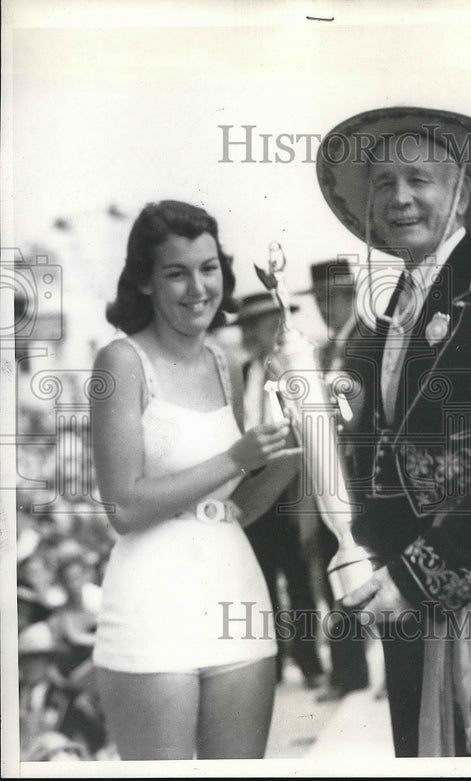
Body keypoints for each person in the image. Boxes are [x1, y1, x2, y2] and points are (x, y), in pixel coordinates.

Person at [315, 108, 471, 756]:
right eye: (384, 183)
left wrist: (413, 579)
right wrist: (370, 560)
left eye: (418, 179)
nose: (399, 198)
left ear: (461, 193)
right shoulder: (389, 313)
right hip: (408, 606)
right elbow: (377, 455)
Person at [91, 200, 300, 760]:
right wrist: (236, 457)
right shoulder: (120, 362)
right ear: (145, 281)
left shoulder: (223, 365)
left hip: (235, 593)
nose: (198, 288)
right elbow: (124, 508)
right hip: (150, 606)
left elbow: (238, 508)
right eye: (176, 273)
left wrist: (298, 447)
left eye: (208, 268)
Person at [236, 292, 325, 689]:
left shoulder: (293, 371)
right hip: (251, 488)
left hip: (289, 487)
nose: (262, 334)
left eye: (271, 324)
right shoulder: (243, 374)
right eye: (255, 327)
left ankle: (309, 662)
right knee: (260, 580)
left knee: (299, 577)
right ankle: (270, 666)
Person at [304, 260, 371, 702]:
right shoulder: (327, 349)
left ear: (351, 295)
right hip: (332, 477)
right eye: (319, 300)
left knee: (373, 569)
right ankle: (349, 672)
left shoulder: (369, 340)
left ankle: (383, 674)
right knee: (336, 569)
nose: (326, 307)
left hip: (363, 476)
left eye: (333, 298)